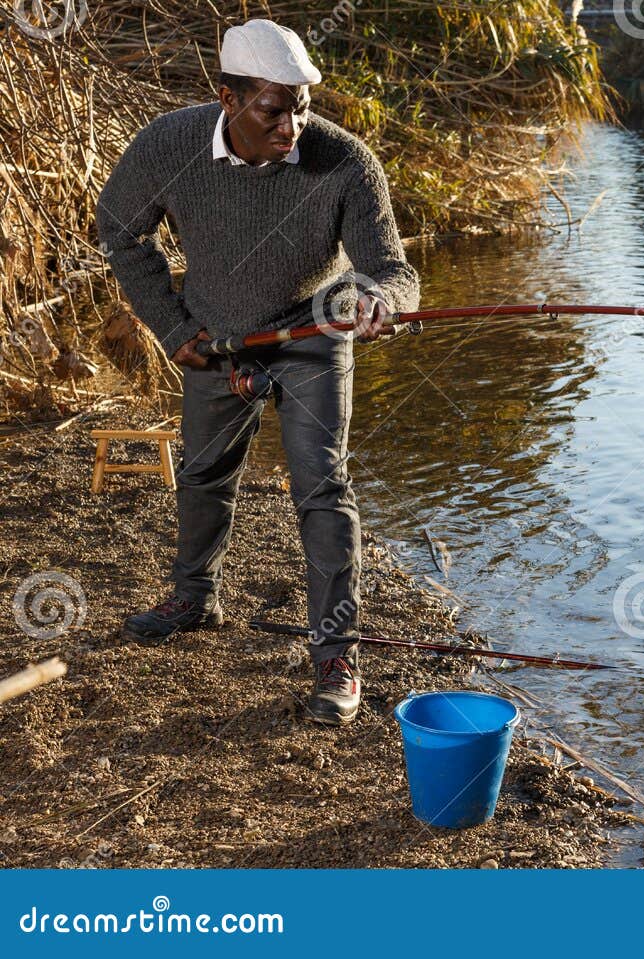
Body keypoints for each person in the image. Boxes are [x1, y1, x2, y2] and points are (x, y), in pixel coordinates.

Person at [95, 19, 420, 725]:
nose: (293, 125)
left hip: (312, 337)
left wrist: (378, 300)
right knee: (205, 469)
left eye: (302, 105)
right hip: (216, 337)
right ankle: (193, 595)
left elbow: (393, 271)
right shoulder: (169, 145)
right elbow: (120, 226)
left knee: (321, 486)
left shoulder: (345, 161)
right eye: (274, 108)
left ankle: (336, 655)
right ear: (228, 98)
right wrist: (175, 328)